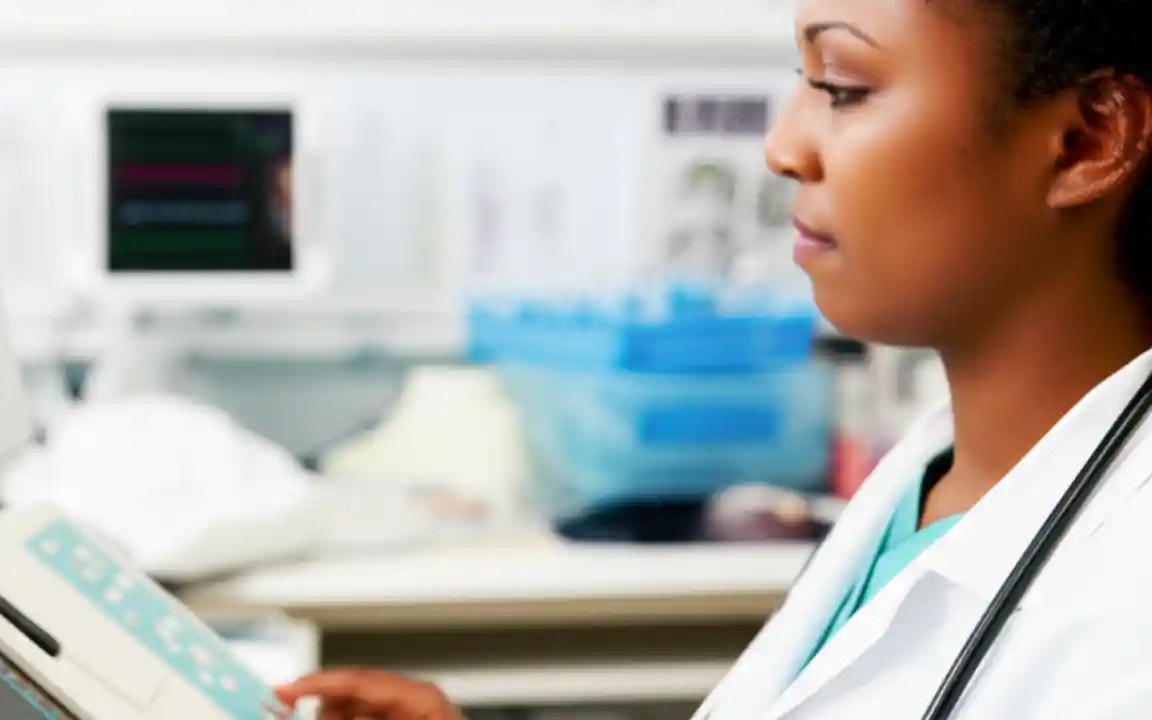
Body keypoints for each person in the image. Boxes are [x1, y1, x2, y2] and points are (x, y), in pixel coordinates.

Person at [276, 0, 1152, 716]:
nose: (782, 145)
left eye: (842, 87)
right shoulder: (936, 472)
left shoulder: (1128, 620)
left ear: (1085, 140)